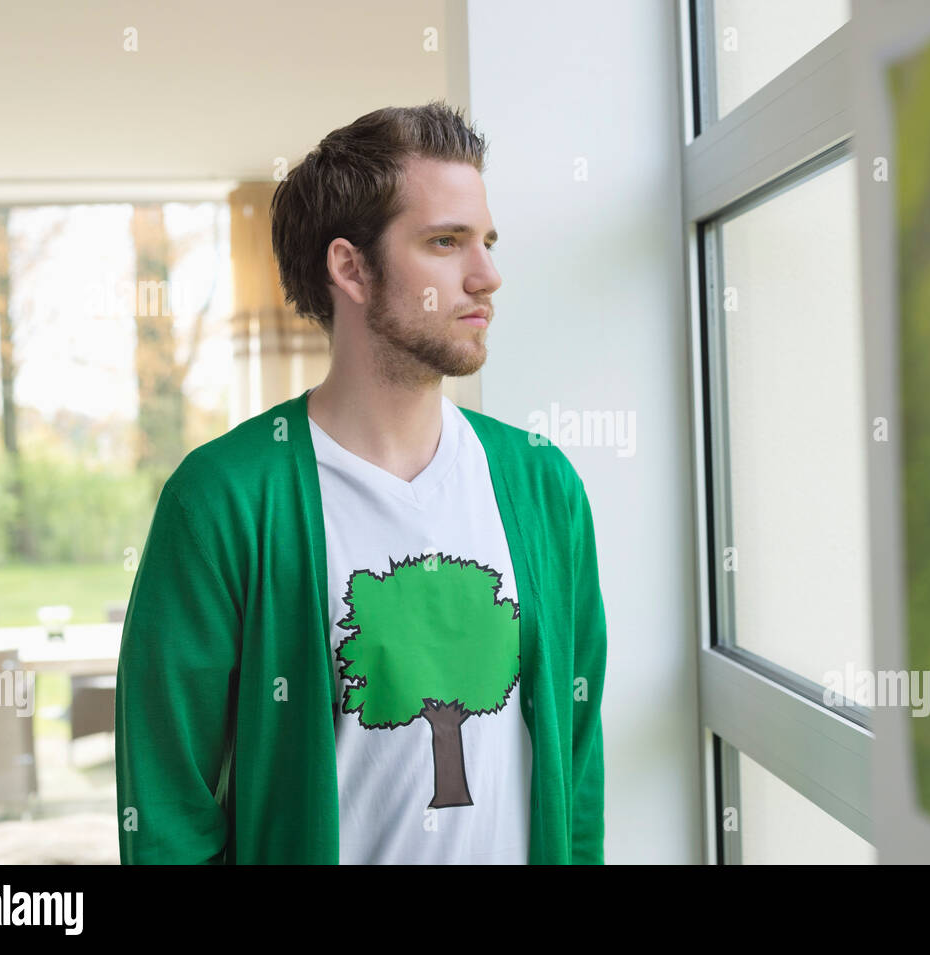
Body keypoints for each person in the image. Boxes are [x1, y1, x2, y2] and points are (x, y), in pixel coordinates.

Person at [114, 101, 606, 865]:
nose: (487, 274)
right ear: (350, 267)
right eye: (446, 242)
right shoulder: (224, 499)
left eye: (486, 241)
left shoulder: (544, 486)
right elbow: (167, 803)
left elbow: (574, 767)